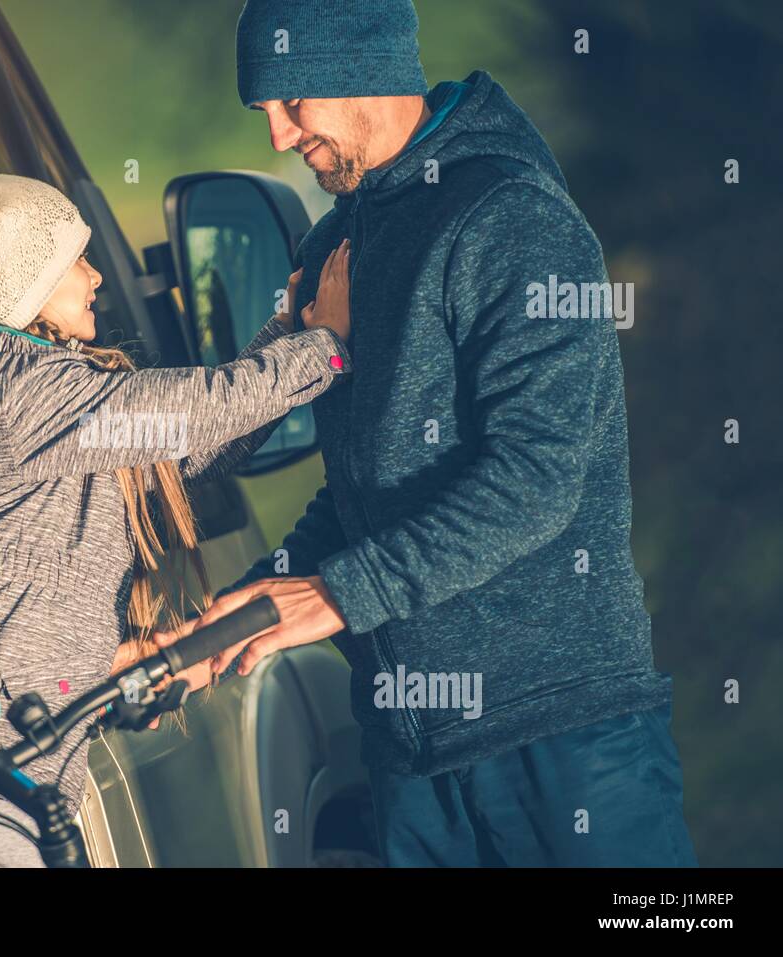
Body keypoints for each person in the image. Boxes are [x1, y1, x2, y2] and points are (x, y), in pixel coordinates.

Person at [160, 0, 697, 867]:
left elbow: (534, 481)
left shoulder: (512, 220)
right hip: (412, 757)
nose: (280, 139)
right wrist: (243, 615)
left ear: (359, 67)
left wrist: (335, 595)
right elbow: (366, 496)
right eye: (265, 114)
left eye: (293, 105)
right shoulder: (341, 241)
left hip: (561, 738)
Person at [0, 169, 351, 866]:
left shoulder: (21, 389)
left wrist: (289, 330)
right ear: (25, 285)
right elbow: (190, 414)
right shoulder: (27, 392)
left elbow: (184, 448)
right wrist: (326, 346)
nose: (97, 276)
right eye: (76, 259)